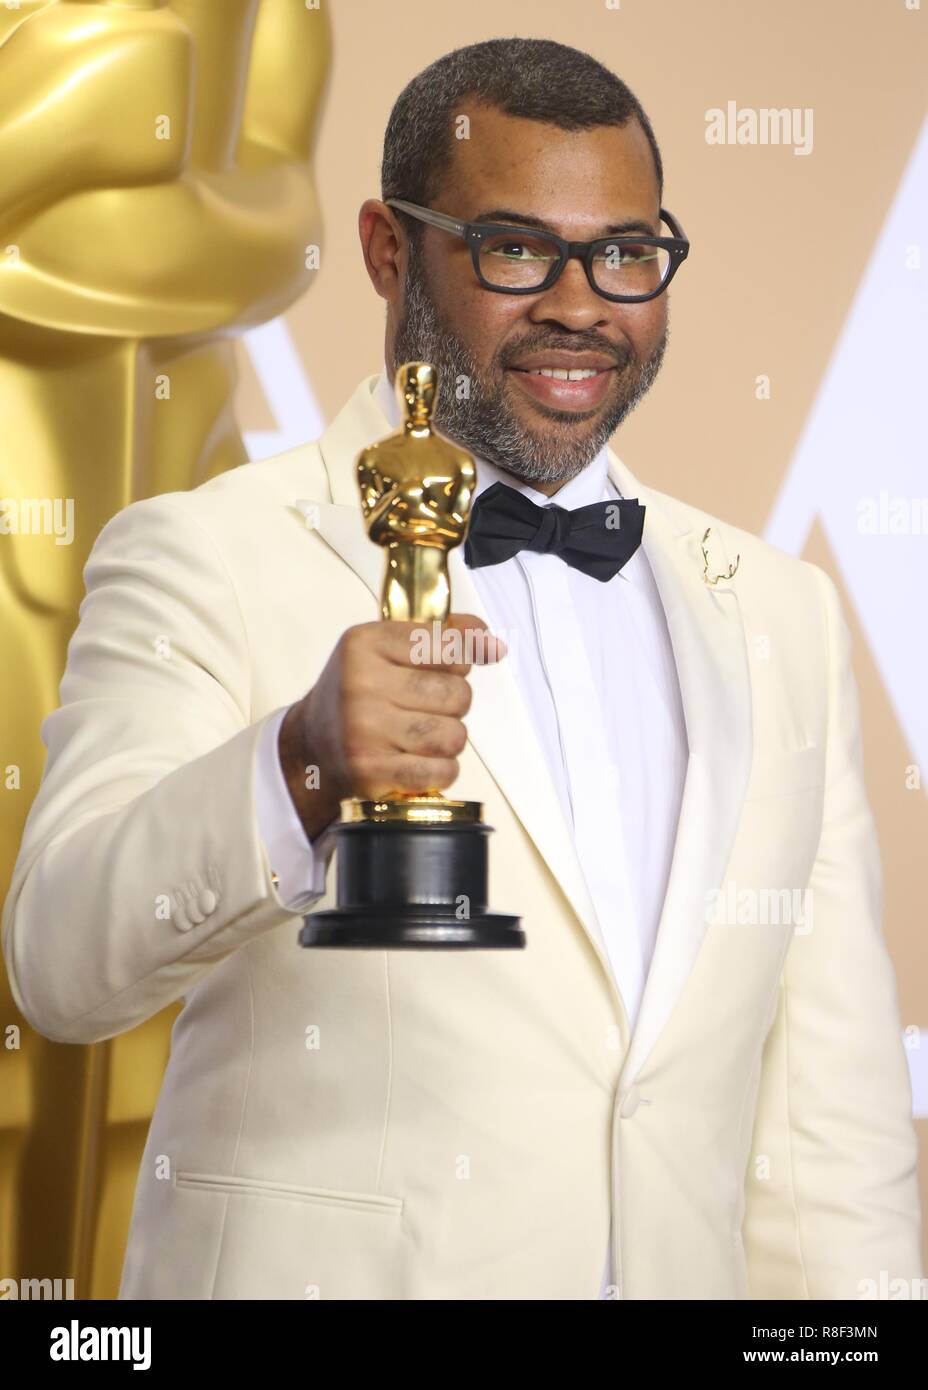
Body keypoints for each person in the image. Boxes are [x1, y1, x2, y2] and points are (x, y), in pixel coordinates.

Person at [2, 37, 922, 1301]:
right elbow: (61, 960)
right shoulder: (203, 551)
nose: (581, 304)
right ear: (389, 251)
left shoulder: (780, 612)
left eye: (626, 253)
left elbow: (831, 1125)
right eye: (513, 248)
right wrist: (298, 765)